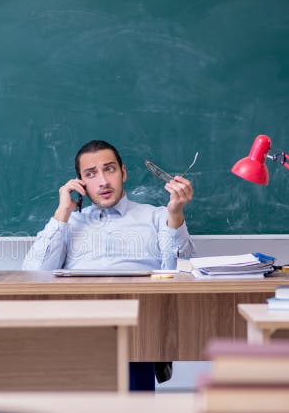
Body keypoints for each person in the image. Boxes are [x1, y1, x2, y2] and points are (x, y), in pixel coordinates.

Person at [22, 140, 196, 390]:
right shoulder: (70, 223)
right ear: (79, 182)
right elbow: (33, 274)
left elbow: (179, 270)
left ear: (123, 172)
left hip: (139, 327)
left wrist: (176, 214)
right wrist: (62, 212)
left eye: (110, 169)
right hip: (79, 325)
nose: (103, 181)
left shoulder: (157, 215)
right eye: (90, 174)